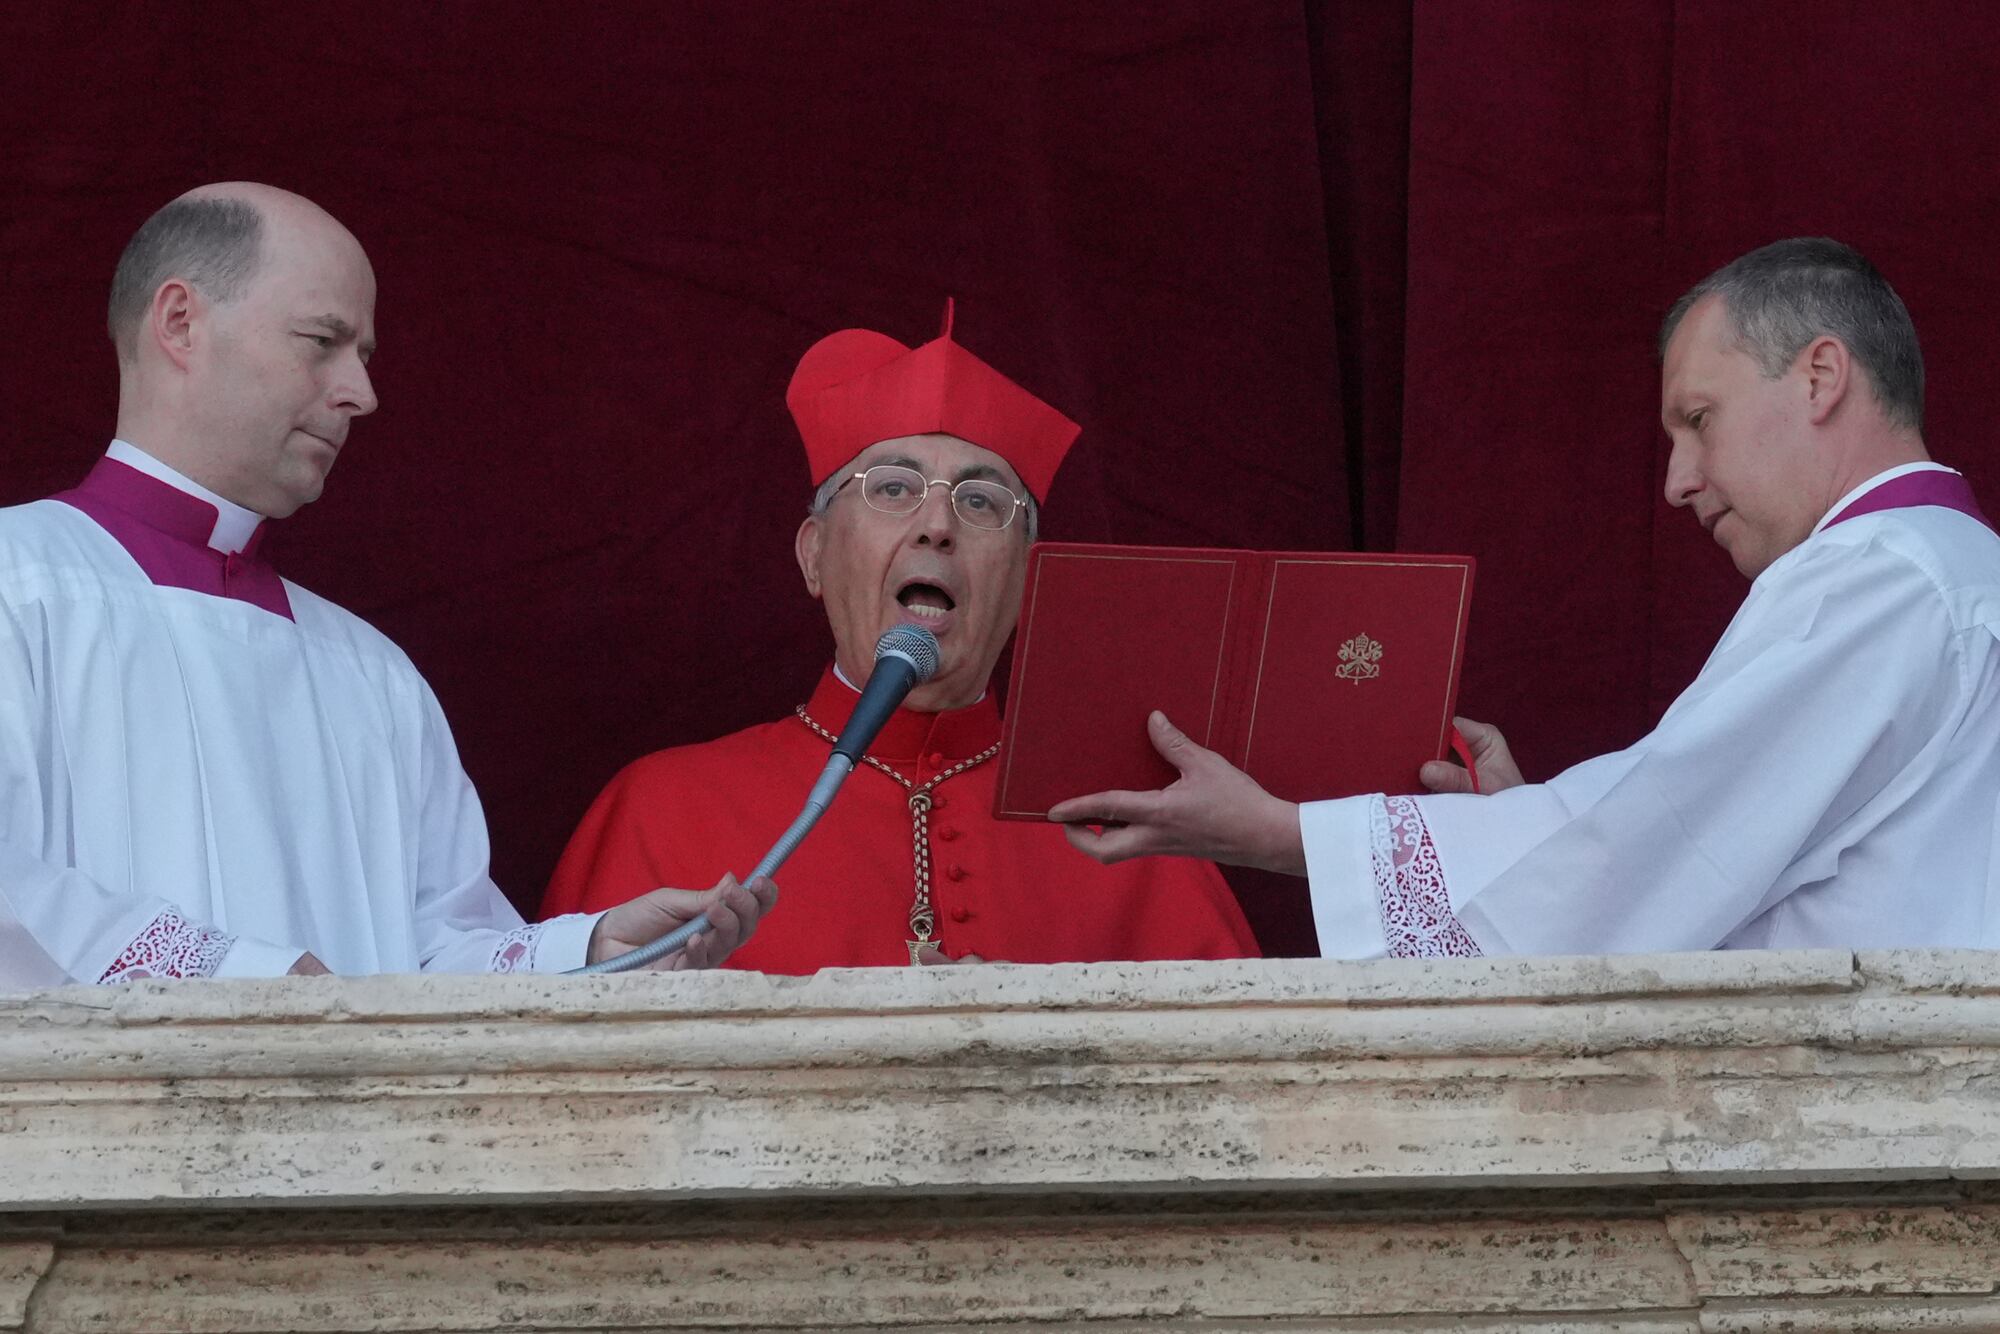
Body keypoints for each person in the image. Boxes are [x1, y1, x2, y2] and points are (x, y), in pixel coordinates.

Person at [1052, 238, 2000, 956]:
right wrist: (1508, 823)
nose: (1678, 480)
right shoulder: (1952, 568)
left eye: (1699, 421)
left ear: (1821, 377)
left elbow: (1653, 852)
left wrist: (1284, 834)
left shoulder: (1878, 581)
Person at [0, 183, 772, 987]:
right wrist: (235, 980)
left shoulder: (369, 671)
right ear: (181, 323)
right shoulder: (15, 582)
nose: (360, 395)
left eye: (362, 356)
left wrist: (589, 952)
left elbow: (434, 959)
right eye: (321, 340)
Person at [541, 304, 1258, 970]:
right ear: (814, 555)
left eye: (981, 501)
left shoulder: (1137, 834)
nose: (937, 525)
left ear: (1026, 582)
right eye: (891, 488)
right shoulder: (661, 809)